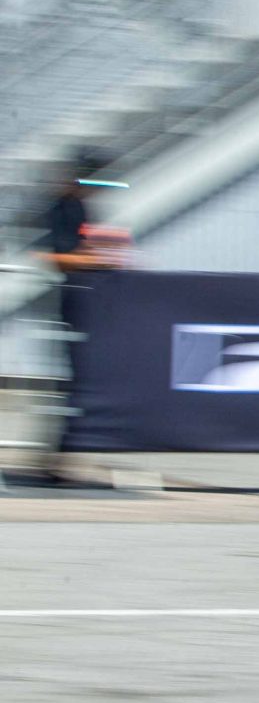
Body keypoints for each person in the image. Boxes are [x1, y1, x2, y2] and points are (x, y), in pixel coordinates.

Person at [31, 152, 122, 483]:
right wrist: (97, 261)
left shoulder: (80, 207)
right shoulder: (60, 207)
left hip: (81, 305)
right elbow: (54, 256)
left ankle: (58, 456)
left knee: (77, 385)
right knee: (67, 386)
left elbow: (79, 250)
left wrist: (98, 256)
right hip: (66, 305)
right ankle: (52, 459)